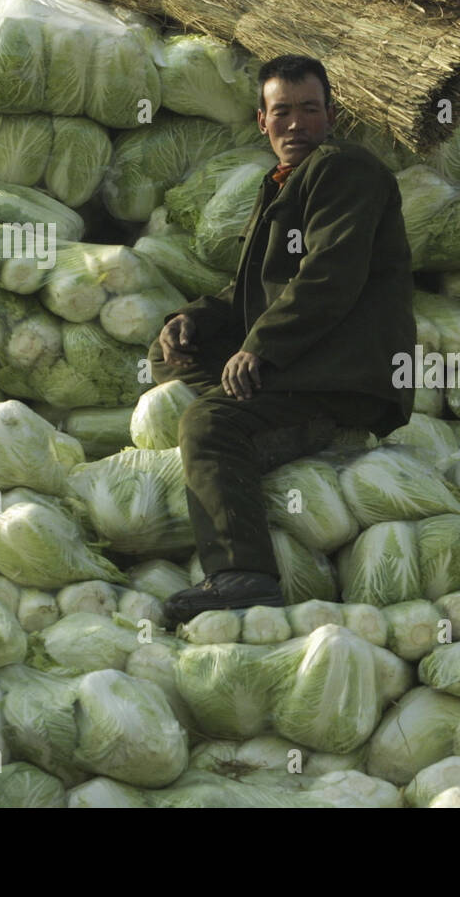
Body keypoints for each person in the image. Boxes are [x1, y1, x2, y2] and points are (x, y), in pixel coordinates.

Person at [152, 54, 416, 625]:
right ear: (261, 121)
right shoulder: (280, 185)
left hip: (338, 372)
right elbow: (252, 289)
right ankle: (261, 426)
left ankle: (241, 574)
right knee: (173, 352)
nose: (295, 123)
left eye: (309, 110)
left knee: (208, 424)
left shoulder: (344, 168)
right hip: (303, 364)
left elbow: (330, 274)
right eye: (282, 112)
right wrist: (192, 318)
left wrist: (261, 348)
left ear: (331, 115)